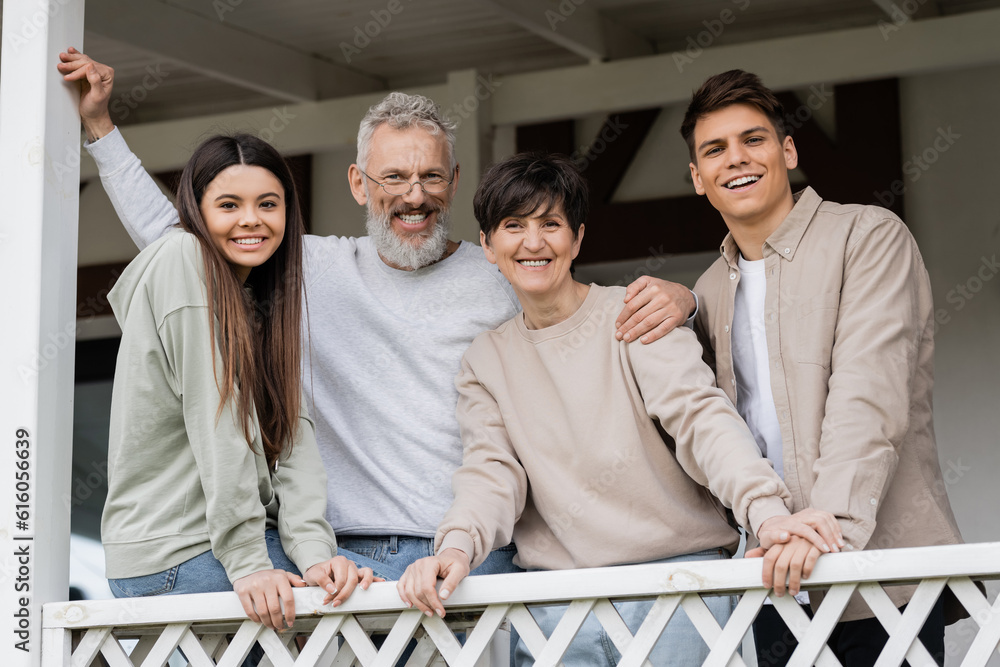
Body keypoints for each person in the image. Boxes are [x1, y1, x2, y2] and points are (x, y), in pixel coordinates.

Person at [58, 48, 695, 577]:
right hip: (339, 556)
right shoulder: (305, 269)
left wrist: (685, 300)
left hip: (470, 552)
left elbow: (589, 326)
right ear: (360, 184)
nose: (413, 196)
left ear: (453, 180)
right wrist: (102, 129)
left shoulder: (500, 273)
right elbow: (185, 235)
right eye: (393, 178)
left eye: (431, 177)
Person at [396, 153, 844, 667]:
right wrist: (455, 548)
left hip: (678, 586)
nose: (533, 242)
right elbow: (490, 473)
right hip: (554, 604)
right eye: (514, 226)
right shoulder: (485, 361)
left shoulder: (634, 315)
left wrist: (766, 513)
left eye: (551, 224)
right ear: (488, 246)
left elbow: (701, 420)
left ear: (578, 239)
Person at [680, 69, 967, 666]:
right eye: (715, 149)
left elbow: (870, 397)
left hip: (880, 575)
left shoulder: (868, 235)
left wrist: (826, 531)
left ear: (787, 151)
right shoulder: (708, 290)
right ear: (698, 179)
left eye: (753, 139)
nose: (736, 159)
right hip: (777, 583)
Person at [102, 132, 387, 632]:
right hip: (174, 552)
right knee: (383, 597)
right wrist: (249, 561)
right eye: (229, 204)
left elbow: (294, 441)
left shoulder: (263, 299)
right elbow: (220, 425)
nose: (251, 219)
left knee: (356, 583)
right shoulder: (184, 260)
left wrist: (315, 553)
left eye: (268, 204)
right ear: (197, 209)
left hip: (221, 547)